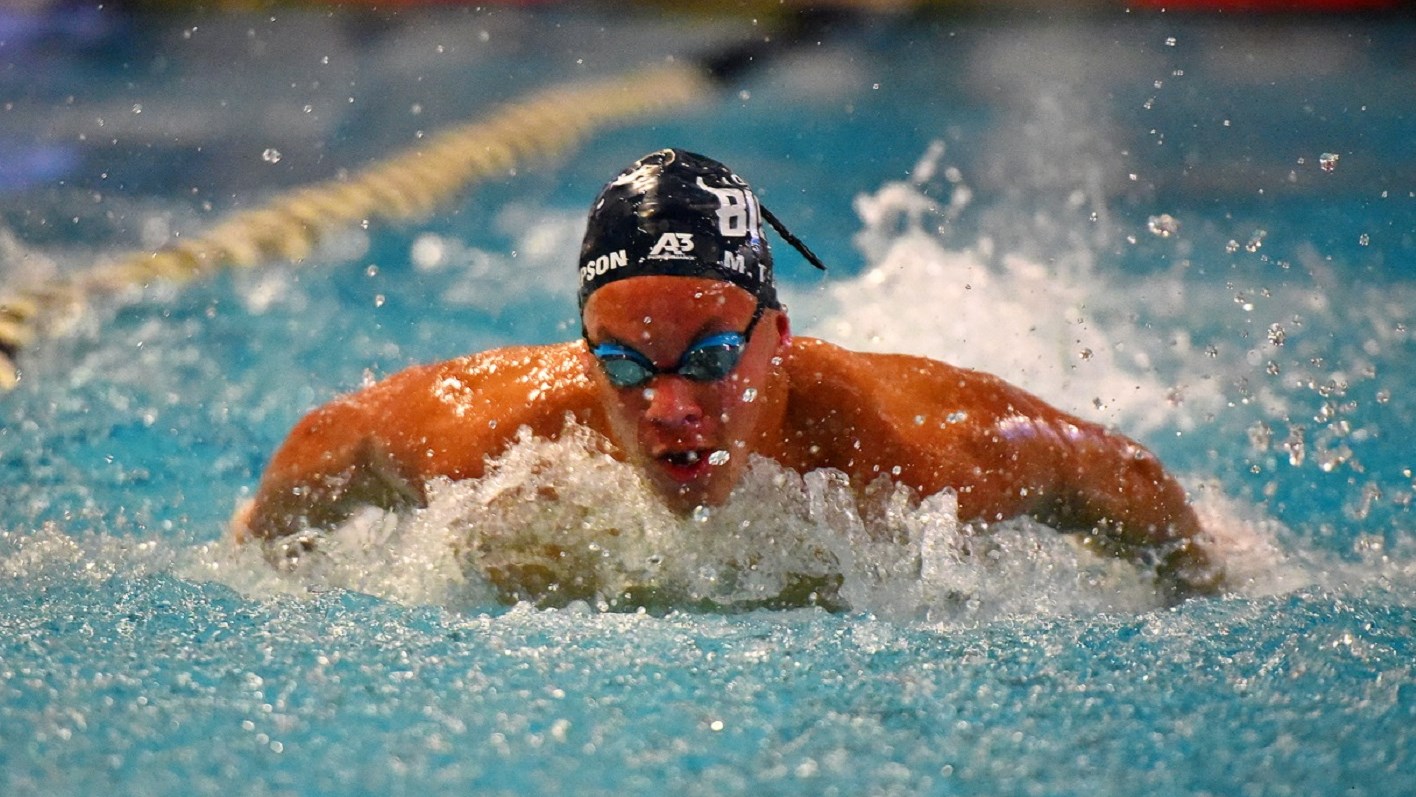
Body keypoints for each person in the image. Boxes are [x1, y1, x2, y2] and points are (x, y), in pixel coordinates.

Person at [232, 148, 1224, 604]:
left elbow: (1118, 474)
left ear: (778, 336)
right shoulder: (487, 443)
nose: (669, 409)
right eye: (624, 364)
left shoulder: (925, 458)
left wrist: (1206, 579)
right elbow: (330, 440)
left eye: (710, 359)